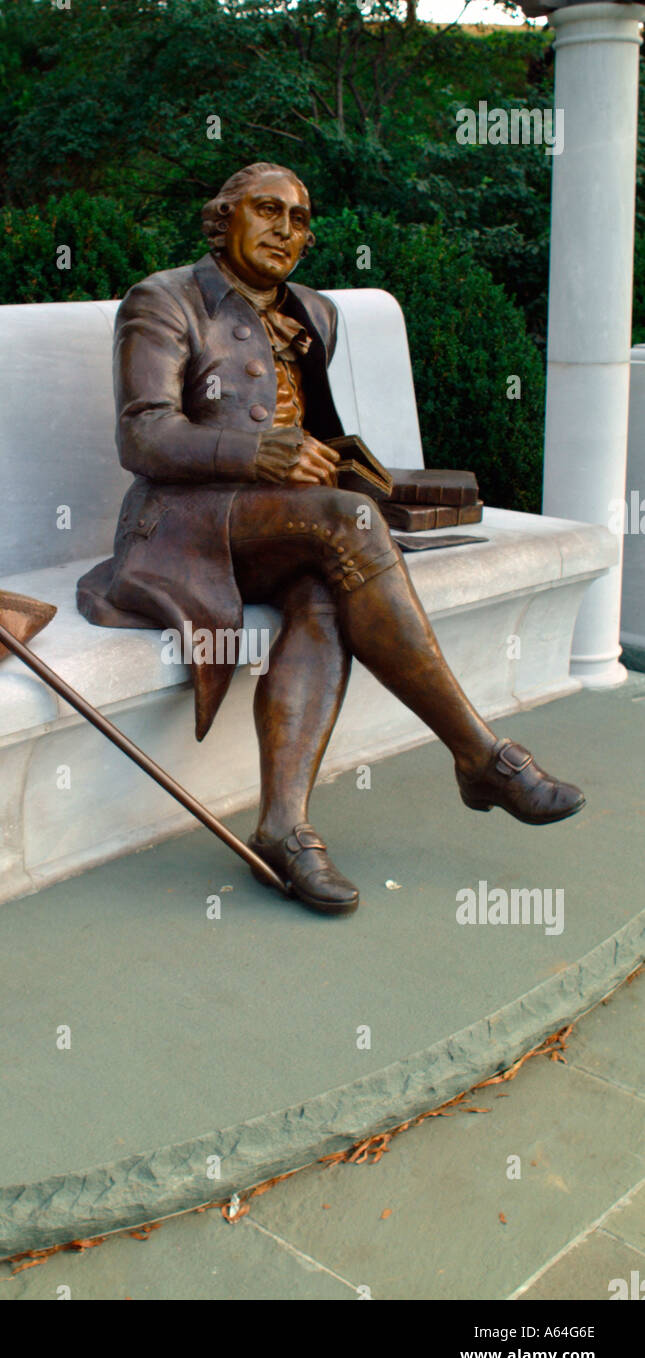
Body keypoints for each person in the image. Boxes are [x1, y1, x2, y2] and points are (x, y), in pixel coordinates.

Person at [77, 162, 584, 916]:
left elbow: (306, 422)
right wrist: (257, 454)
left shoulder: (315, 311)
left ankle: (282, 828)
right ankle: (480, 756)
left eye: (301, 217)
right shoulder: (162, 300)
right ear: (220, 221)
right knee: (345, 526)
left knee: (321, 591)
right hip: (186, 528)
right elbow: (142, 435)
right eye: (266, 210)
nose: (287, 229)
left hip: (288, 528)